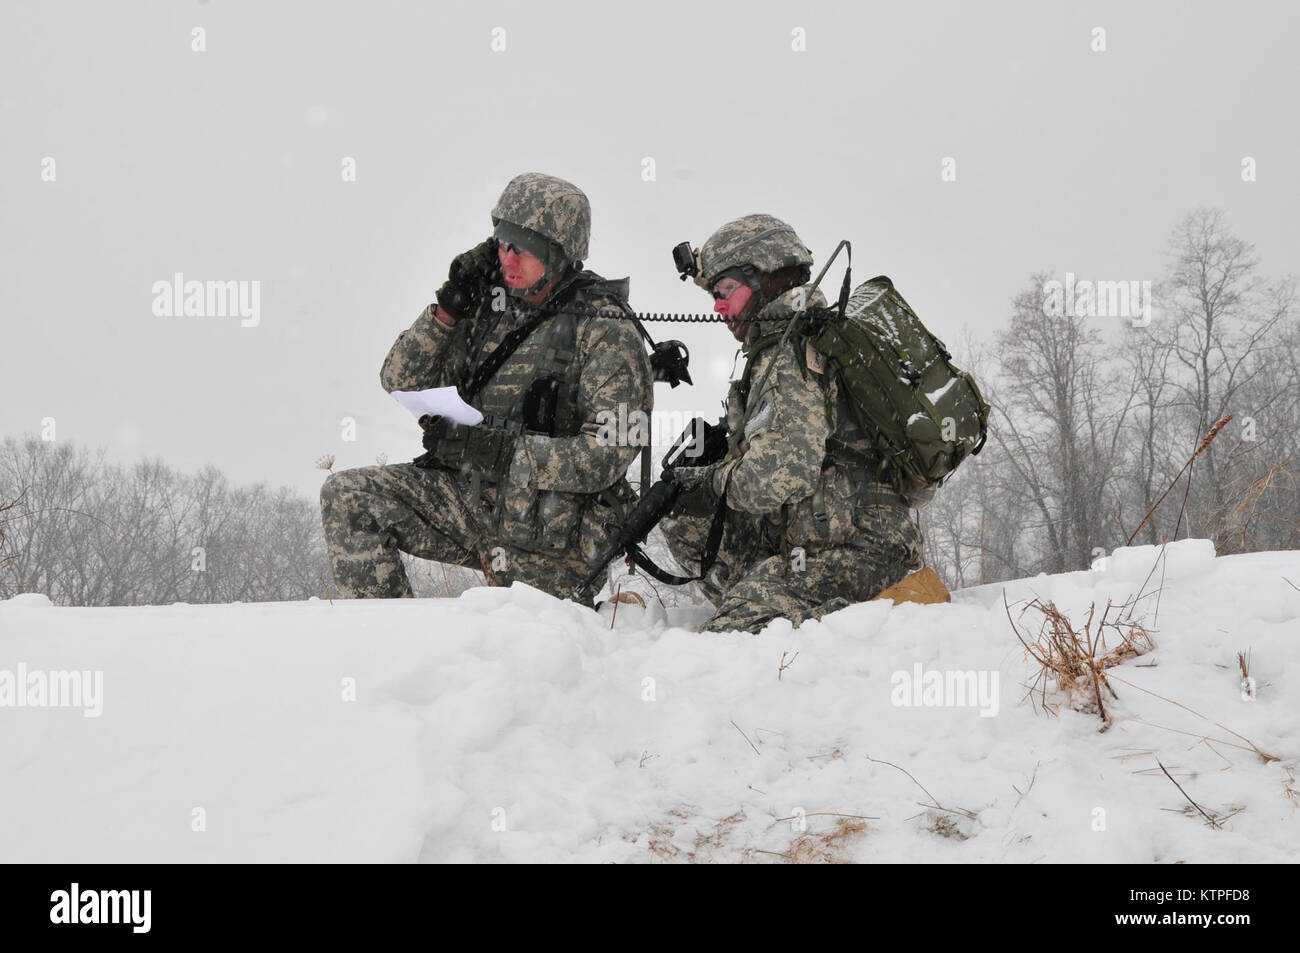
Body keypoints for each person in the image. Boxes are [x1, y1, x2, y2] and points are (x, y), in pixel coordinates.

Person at [320, 172, 653, 601]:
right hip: (472, 499)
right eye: (503, 245)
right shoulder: (490, 309)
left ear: (557, 253)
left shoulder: (606, 328)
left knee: (525, 646)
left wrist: (496, 452)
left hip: (553, 528)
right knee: (349, 497)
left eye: (524, 250)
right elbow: (400, 379)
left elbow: (609, 452)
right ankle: (392, 640)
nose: (507, 260)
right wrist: (449, 306)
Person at [659, 214, 924, 633]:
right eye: (714, 295)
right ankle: (772, 596)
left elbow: (790, 472)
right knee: (689, 524)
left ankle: (778, 607)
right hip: (821, 541)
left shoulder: (791, 350)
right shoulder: (788, 341)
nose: (717, 306)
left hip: (866, 550)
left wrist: (713, 481)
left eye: (725, 291)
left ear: (764, 278)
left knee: (730, 634)